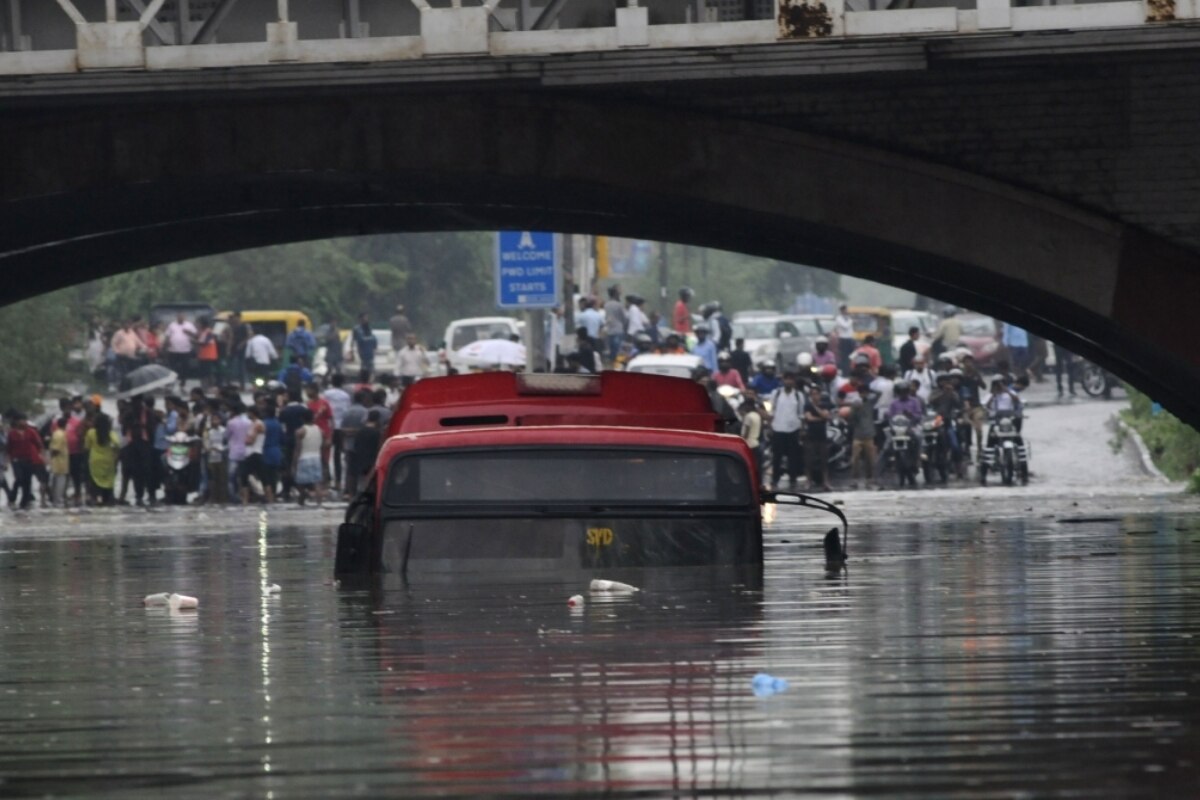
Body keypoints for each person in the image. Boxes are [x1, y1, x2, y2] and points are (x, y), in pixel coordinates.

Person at [767, 372, 804, 490]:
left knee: (793, 457)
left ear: (793, 381)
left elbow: (801, 414)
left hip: (793, 429)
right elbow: (771, 411)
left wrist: (802, 429)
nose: (788, 382)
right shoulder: (776, 394)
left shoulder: (798, 395)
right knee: (776, 457)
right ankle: (775, 480)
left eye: (790, 379)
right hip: (778, 428)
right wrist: (769, 427)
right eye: (786, 379)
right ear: (783, 380)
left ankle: (793, 480)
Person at [7, 412, 47, 510]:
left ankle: (23, 504)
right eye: (21, 420)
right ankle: (12, 497)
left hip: (28, 459)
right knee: (19, 478)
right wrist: (9, 460)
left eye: (24, 420)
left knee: (27, 482)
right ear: (16, 422)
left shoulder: (31, 432)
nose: (23, 422)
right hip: (16, 460)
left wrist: (42, 456)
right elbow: (9, 447)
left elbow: (39, 444)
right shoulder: (11, 433)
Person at [843, 375, 877, 489]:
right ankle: (854, 480)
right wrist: (855, 409)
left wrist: (870, 390)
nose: (864, 394)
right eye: (862, 392)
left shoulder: (870, 402)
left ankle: (870, 479)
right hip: (858, 435)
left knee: (870, 459)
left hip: (869, 434)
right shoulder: (855, 404)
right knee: (855, 460)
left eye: (865, 392)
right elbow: (851, 419)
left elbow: (879, 394)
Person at [803, 385, 834, 492]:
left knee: (824, 460)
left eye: (817, 394)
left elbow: (827, 416)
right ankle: (808, 480)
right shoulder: (807, 405)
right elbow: (809, 418)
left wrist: (816, 409)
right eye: (813, 394)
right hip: (811, 435)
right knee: (809, 460)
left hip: (822, 435)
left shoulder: (824, 404)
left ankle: (826, 481)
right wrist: (821, 417)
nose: (815, 396)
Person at [84, 413, 120, 506]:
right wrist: (115, 454)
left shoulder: (91, 432)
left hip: (95, 461)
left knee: (95, 481)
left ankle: (96, 498)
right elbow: (117, 444)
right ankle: (108, 499)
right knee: (108, 481)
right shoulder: (111, 434)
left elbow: (86, 447)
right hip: (108, 460)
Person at [323, 374, 351, 492]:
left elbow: (324, 409)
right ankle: (338, 482)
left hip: (329, 427)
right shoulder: (346, 396)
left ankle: (327, 480)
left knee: (325, 454)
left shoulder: (326, 394)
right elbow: (347, 411)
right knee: (338, 456)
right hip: (341, 428)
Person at [291, 408, 325, 506]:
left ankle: (303, 496)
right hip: (316, 458)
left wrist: (294, 463)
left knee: (299, 482)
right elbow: (322, 446)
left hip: (304, 458)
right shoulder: (320, 430)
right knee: (317, 483)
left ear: (302, 418)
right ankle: (319, 503)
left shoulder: (300, 431)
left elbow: (297, 449)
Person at [351, 409, 383, 494]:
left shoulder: (360, 431)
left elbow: (355, 446)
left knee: (361, 483)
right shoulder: (377, 433)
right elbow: (379, 447)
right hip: (372, 461)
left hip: (360, 459)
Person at [163, 312, 197, 389]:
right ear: (177, 317)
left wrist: (189, 332)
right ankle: (170, 381)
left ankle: (183, 381)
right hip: (173, 350)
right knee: (172, 367)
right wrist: (166, 344)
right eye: (179, 317)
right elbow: (167, 336)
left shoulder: (189, 325)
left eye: (182, 317)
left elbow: (195, 335)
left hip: (185, 350)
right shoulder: (172, 325)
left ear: (184, 317)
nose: (180, 318)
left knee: (185, 367)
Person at [203, 402, 228, 505]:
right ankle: (212, 498)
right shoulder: (208, 432)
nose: (215, 421)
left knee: (222, 479)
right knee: (212, 479)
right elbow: (205, 443)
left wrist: (222, 449)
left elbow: (228, 443)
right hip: (211, 457)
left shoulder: (224, 431)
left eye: (217, 419)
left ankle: (223, 499)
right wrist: (209, 448)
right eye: (213, 419)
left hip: (222, 457)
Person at [48, 412, 70, 507]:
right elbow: (56, 449)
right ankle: (57, 501)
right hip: (60, 462)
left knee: (57, 481)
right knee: (60, 482)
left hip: (60, 462)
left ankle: (56, 500)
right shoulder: (60, 434)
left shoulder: (57, 433)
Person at [740, 398, 764, 481]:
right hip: (756, 443)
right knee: (757, 466)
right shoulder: (757, 415)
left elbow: (745, 433)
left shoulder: (748, 416)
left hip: (749, 444)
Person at [350, 314, 378, 382]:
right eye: (364, 319)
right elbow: (353, 341)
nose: (365, 320)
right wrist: (352, 351)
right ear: (360, 320)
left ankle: (369, 382)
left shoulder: (369, 328)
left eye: (366, 319)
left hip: (370, 352)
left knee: (370, 369)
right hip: (362, 352)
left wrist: (374, 349)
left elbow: (374, 341)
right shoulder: (357, 329)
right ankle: (363, 381)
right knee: (365, 368)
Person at [603, 285, 627, 362]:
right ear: (615, 294)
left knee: (612, 351)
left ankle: (612, 364)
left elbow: (606, 317)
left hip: (609, 331)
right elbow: (624, 318)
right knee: (618, 350)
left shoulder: (606, 305)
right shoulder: (619, 305)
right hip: (618, 330)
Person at [834, 304, 855, 372]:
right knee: (844, 355)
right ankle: (845, 370)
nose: (847, 311)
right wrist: (851, 321)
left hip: (850, 338)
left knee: (852, 355)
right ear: (842, 310)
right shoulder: (839, 318)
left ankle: (851, 368)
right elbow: (845, 326)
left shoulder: (848, 318)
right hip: (843, 339)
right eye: (845, 310)